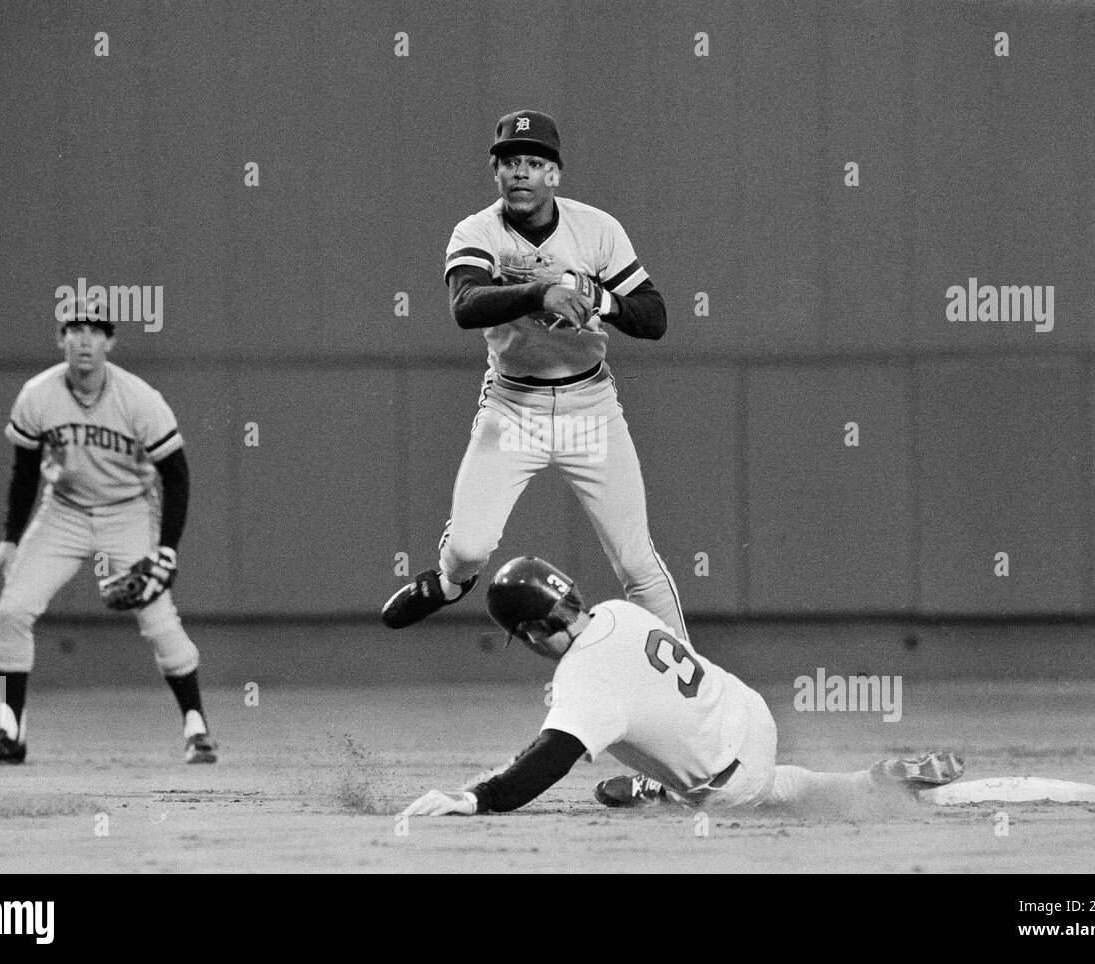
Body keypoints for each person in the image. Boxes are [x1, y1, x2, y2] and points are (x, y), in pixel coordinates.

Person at [381, 110, 685, 640]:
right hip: (512, 406)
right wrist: (541, 291)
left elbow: (654, 317)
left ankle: (692, 687)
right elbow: (466, 304)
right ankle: (451, 583)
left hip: (588, 406)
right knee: (470, 548)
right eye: (510, 162)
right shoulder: (477, 230)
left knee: (637, 563)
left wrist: (601, 298)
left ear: (555, 175)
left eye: (534, 162)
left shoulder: (595, 227)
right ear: (496, 173)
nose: (521, 172)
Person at [400, 557, 963, 817]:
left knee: (717, 794)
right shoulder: (621, 612)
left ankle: (661, 793)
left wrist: (478, 798)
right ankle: (872, 782)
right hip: (750, 715)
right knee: (776, 784)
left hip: (724, 784)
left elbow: (548, 760)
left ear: (529, 632)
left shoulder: (582, 679)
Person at [0, 310, 216, 765]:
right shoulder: (38, 395)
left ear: (109, 344)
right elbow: (24, 474)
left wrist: (167, 551)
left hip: (129, 510)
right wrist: (10, 539)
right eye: (75, 330)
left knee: (158, 621)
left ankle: (196, 727)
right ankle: (9, 732)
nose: (84, 340)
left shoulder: (139, 398)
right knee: (14, 609)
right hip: (64, 510)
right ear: (61, 340)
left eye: (95, 332)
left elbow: (176, 475)